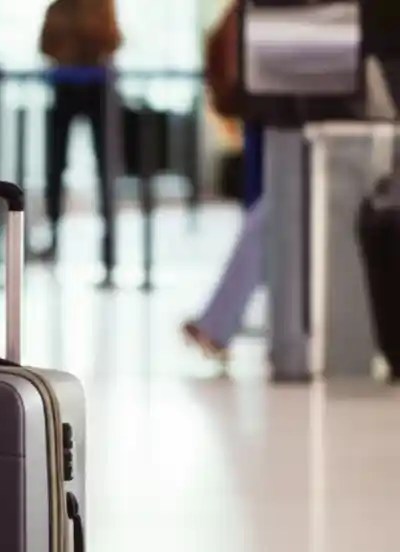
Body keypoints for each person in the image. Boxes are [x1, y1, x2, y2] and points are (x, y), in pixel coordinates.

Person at [183, 0, 264, 363]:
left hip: (271, 121)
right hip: (276, 123)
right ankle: (218, 324)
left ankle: (217, 324)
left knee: (269, 218)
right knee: (270, 218)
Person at [38, 0, 123, 264]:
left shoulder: (99, 7)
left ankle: (109, 245)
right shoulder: (63, 8)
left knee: (104, 169)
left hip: (95, 92)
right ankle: (54, 236)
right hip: (68, 89)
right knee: (56, 167)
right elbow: (46, 45)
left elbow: (111, 40)